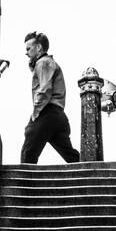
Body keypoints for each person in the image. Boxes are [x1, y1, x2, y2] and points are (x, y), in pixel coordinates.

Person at [20, 31, 81, 164]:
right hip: (58, 116)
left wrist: (36, 112)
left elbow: (45, 90)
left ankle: (23, 181)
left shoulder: (43, 62)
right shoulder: (47, 63)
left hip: (47, 113)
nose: (26, 52)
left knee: (28, 151)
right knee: (71, 156)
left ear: (39, 48)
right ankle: (90, 173)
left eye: (28, 48)